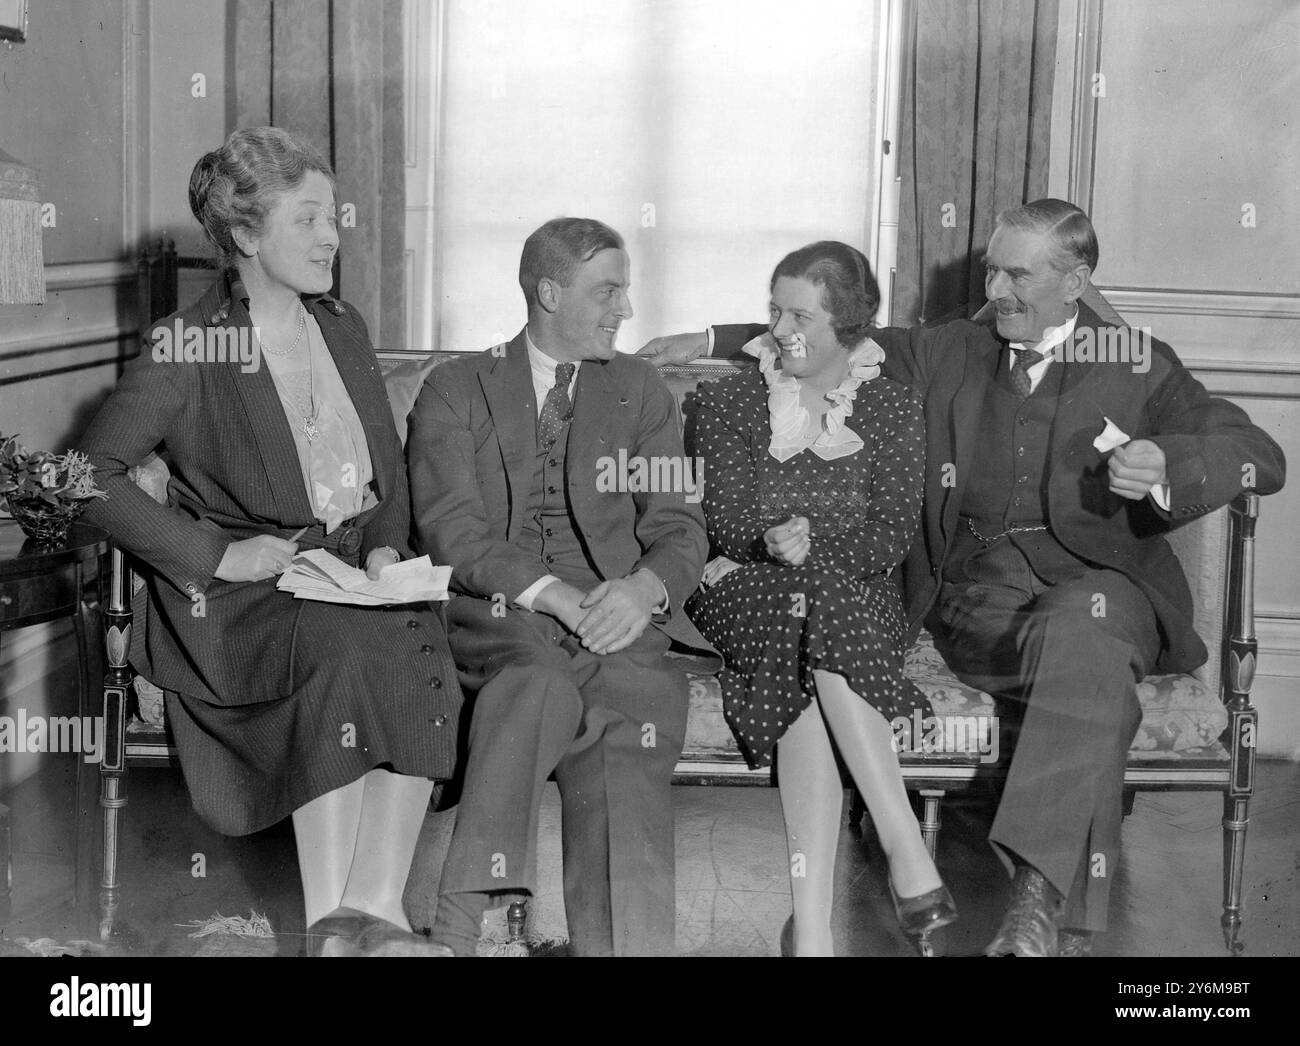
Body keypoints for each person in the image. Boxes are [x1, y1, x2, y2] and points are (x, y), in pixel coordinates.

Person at [639, 199, 1286, 956]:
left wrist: (1169, 463)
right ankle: (1045, 905)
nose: (996, 288)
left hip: (1101, 582)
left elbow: (1254, 450)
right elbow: (837, 331)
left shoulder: (1137, 361)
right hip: (981, 600)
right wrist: (709, 336)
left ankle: (1034, 907)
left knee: (1091, 631)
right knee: (1088, 652)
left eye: (1018, 273)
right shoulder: (952, 350)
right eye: (991, 268)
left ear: (1076, 280)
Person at [79, 127, 463, 957]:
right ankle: (334, 923)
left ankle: (376, 917)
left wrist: (388, 551)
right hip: (240, 598)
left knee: (416, 636)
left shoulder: (345, 326)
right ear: (247, 236)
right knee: (348, 649)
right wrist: (216, 555)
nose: (333, 235)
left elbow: (384, 480)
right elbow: (91, 474)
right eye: (310, 218)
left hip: (349, 579)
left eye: (333, 216)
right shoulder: (188, 346)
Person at [407, 217, 717, 957]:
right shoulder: (458, 386)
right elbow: (453, 529)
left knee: (625, 738)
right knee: (535, 682)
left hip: (614, 615)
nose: (626, 310)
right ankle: (457, 933)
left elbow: (679, 526)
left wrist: (643, 590)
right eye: (608, 290)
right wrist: (552, 595)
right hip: (500, 609)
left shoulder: (641, 392)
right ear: (549, 291)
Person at [687, 241, 955, 957]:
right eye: (774, 309)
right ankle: (905, 846)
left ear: (850, 325)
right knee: (808, 604)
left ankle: (810, 931)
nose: (778, 328)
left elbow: (892, 533)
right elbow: (727, 521)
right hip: (744, 589)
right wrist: (777, 539)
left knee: (813, 637)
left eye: (798, 313)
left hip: (854, 603)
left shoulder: (893, 407)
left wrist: (821, 551)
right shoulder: (730, 400)